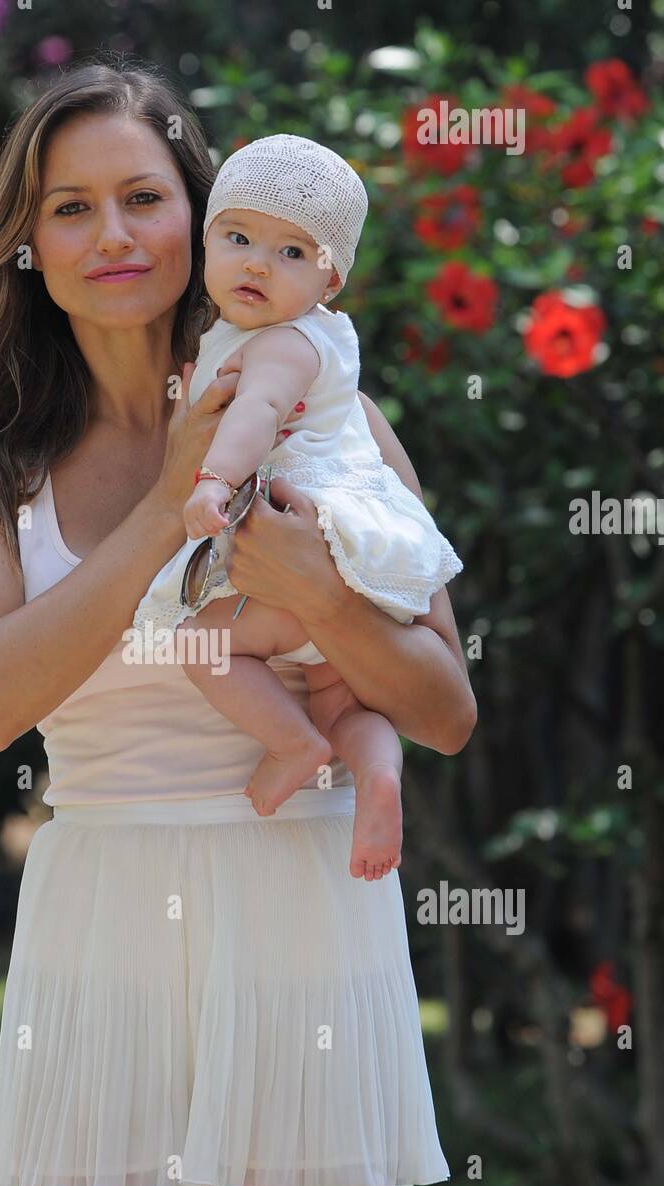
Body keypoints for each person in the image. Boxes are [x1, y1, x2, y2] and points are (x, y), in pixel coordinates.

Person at [0, 57, 476, 1186]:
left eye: (143, 197)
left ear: (201, 207)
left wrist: (325, 597)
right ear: (30, 243)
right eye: (68, 208)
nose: (111, 234)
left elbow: (444, 710)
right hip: (100, 923)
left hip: (307, 906)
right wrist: (170, 508)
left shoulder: (324, 417)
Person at [132, 134, 464, 874]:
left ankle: (292, 743)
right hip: (362, 566)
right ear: (206, 239)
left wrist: (210, 483)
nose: (256, 263)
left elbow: (255, 415)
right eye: (239, 237)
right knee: (343, 698)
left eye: (291, 253)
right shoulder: (305, 337)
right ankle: (377, 774)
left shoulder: (281, 344)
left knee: (200, 643)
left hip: (307, 547)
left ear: (330, 280)